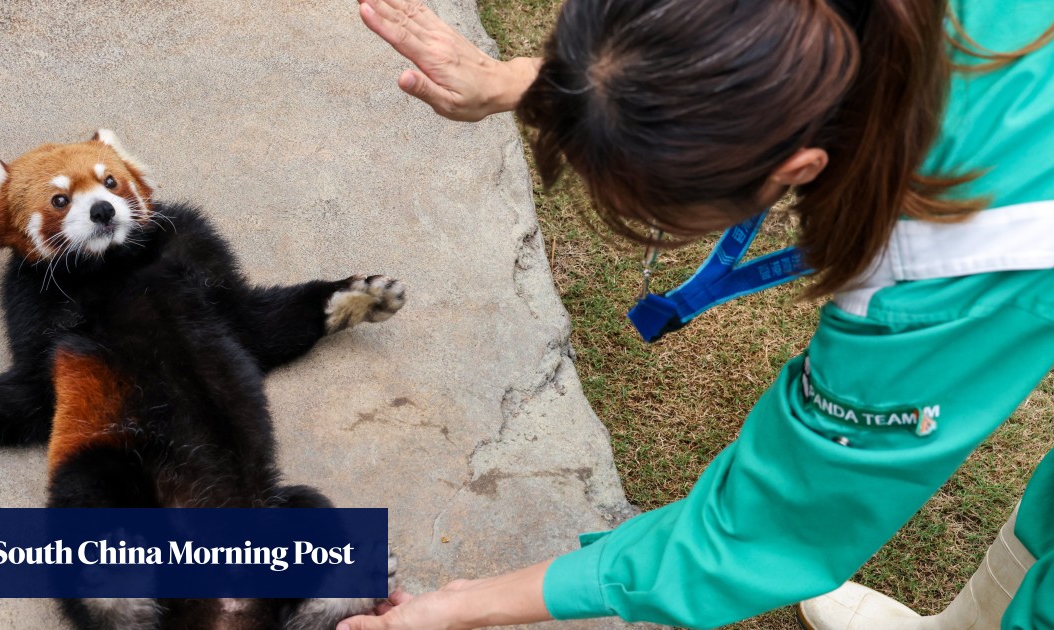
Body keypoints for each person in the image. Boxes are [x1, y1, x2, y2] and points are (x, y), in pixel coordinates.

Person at [340, 0, 1054, 628]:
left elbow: (760, 531)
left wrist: (459, 606)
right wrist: (550, 82)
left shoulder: (938, 276)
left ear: (796, 170)